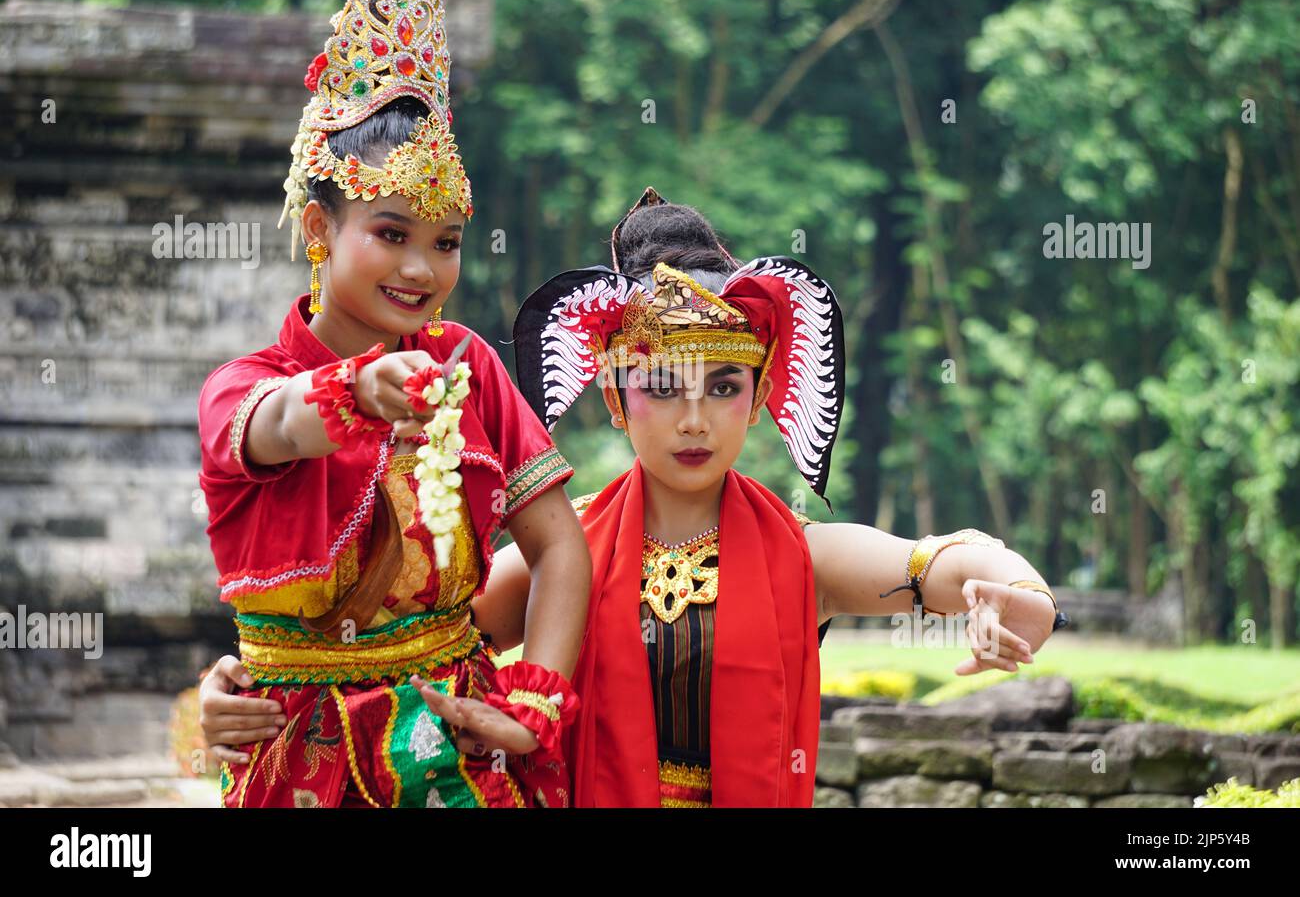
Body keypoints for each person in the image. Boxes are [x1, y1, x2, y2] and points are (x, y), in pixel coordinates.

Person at [200, 188, 1067, 807]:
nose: (695, 418)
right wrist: (234, 683)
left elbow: (940, 565)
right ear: (615, 400)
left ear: (758, 398)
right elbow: (396, 643)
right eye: (663, 384)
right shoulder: (560, 559)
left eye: (723, 386)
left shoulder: (801, 554)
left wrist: (1015, 594)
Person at [195, 0, 589, 808]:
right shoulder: (241, 385)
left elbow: (562, 545)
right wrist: (351, 396)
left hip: (454, 742)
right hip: (295, 755)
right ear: (319, 228)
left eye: (445, 242)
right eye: (391, 232)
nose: (422, 268)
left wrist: (536, 703)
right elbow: (276, 424)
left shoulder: (470, 366)